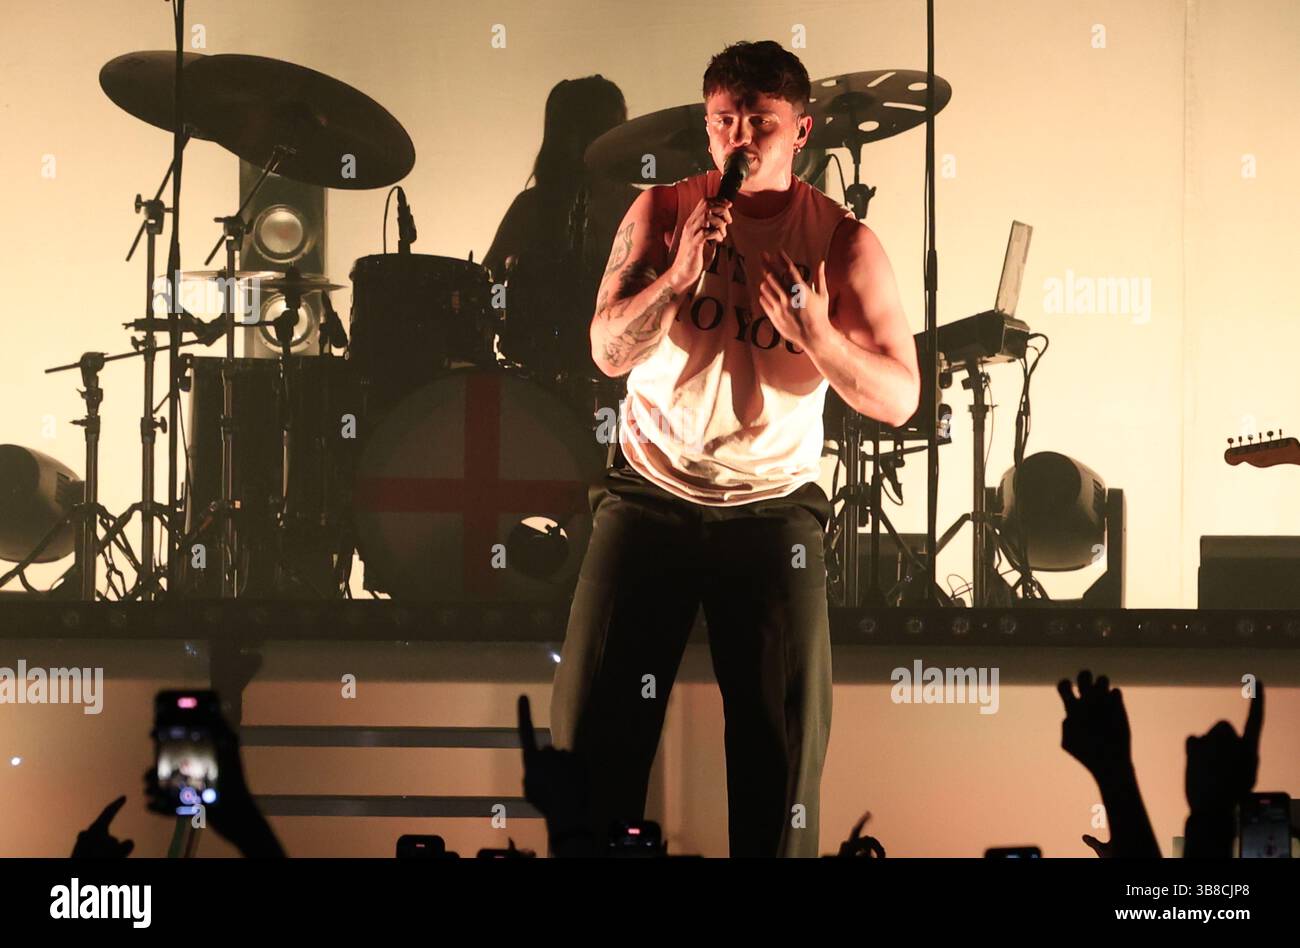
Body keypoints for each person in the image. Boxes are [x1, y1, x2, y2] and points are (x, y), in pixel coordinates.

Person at [549, 40, 920, 857]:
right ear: (707, 128)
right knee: (589, 743)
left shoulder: (842, 241)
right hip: (650, 492)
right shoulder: (662, 211)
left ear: (802, 131)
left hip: (771, 511)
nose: (741, 141)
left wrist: (821, 338)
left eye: (761, 123)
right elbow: (607, 352)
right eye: (724, 123)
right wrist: (678, 278)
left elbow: (900, 398)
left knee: (781, 761)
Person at [484, 75, 639, 388]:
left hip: (616, 375)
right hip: (539, 377)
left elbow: (489, 282)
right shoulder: (532, 207)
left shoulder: (640, 206)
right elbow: (488, 283)